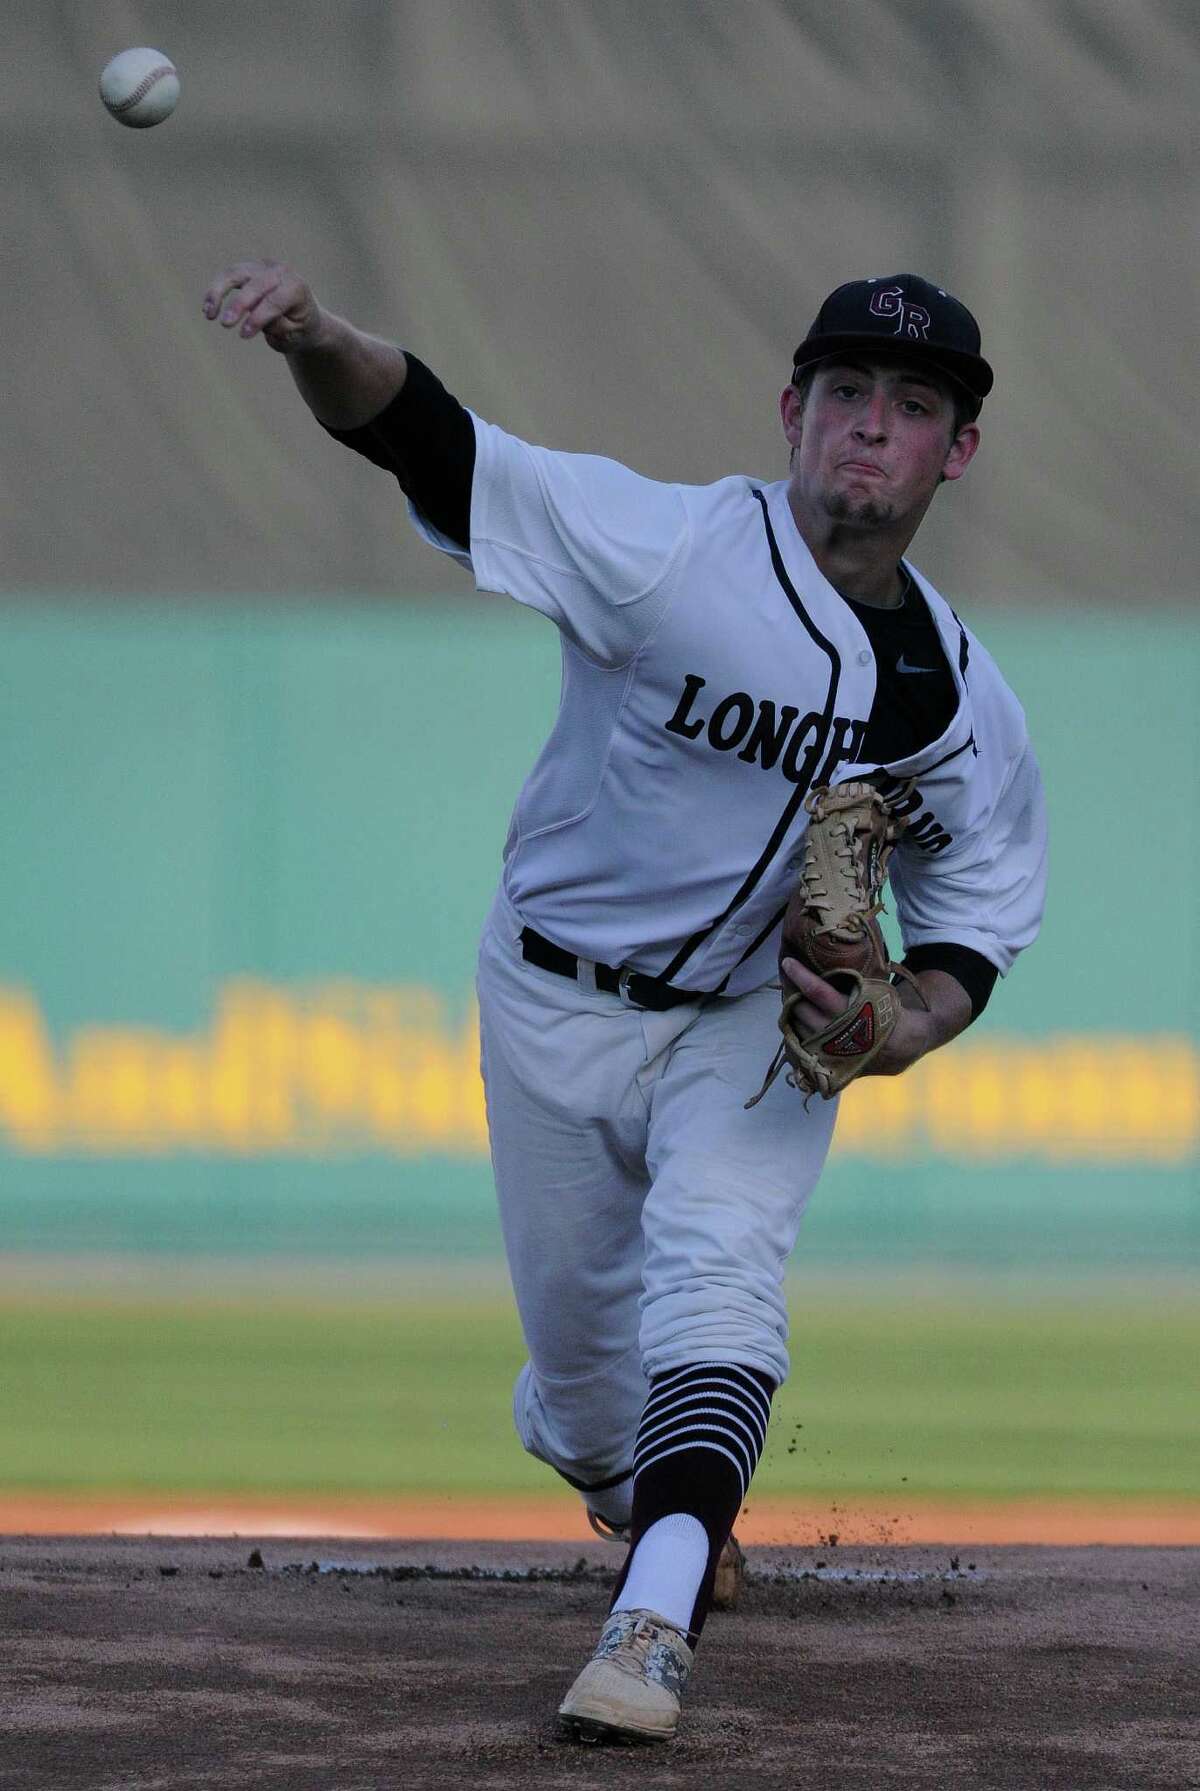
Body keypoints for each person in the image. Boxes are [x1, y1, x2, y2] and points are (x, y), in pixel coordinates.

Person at [204, 263, 1046, 1744]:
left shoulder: (959, 702)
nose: (871, 426)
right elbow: (439, 445)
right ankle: (639, 1503)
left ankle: (651, 1628)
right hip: (550, 999)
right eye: (845, 393)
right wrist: (320, 340)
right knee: (593, 1407)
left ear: (955, 452)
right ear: (791, 411)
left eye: (913, 407)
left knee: (720, 1278)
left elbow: (975, 920)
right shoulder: (665, 549)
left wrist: (899, 1029)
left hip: (755, 1026)